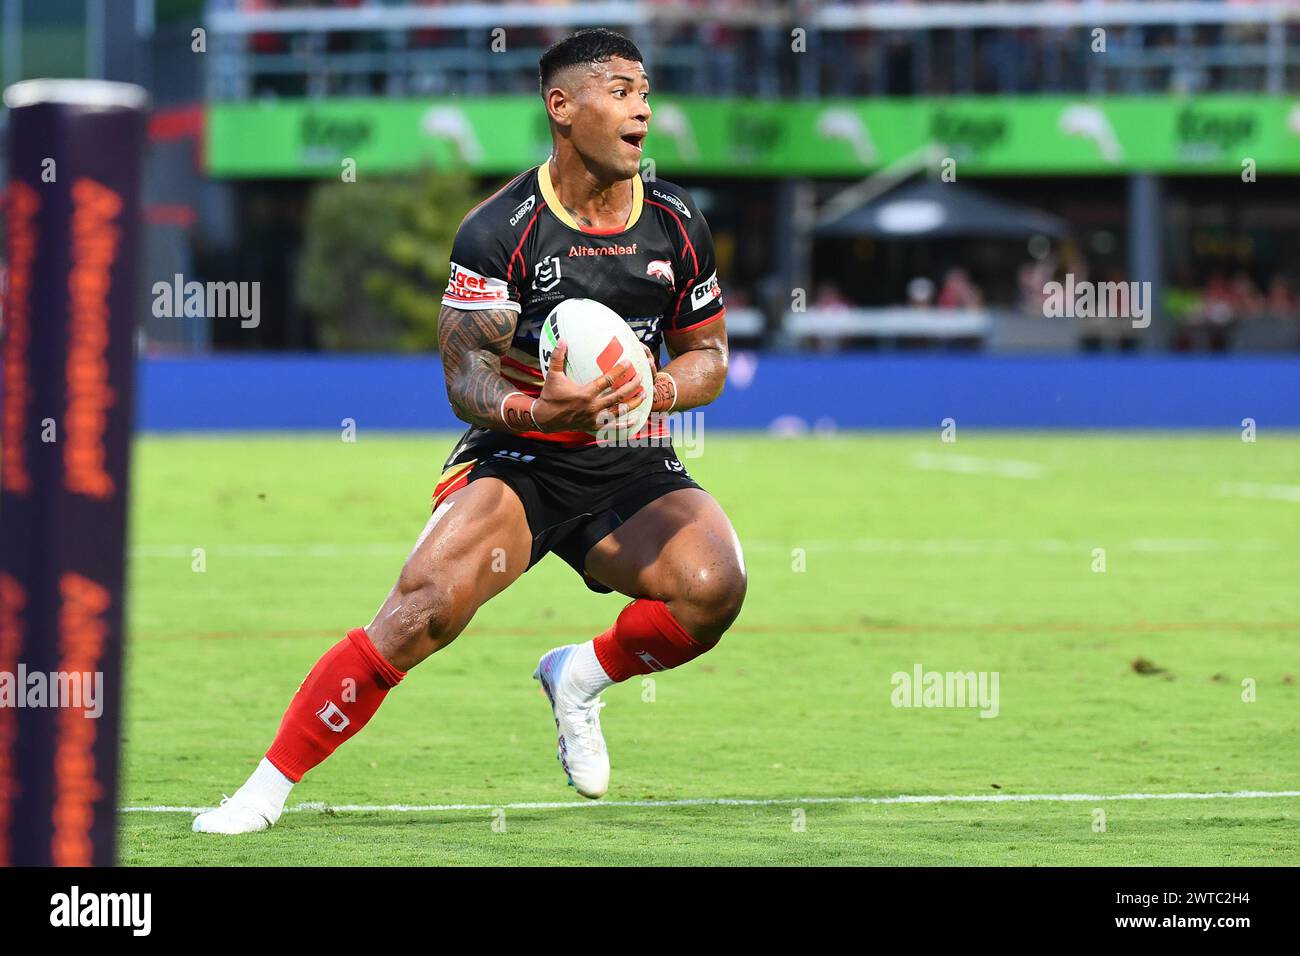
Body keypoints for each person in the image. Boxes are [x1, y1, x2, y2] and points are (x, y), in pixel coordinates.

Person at [193, 28, 747, 834]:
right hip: (521, 457)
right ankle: (264, 791)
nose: (644, 110)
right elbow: (465, 379)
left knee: (714, 588)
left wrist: (657, 387)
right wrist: (538, 411)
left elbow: (712, 356)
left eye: (646, 93)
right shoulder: (501, 229)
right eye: (622, 91)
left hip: (628, 458)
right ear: (563, 106)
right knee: (422, 613)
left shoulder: (674, 221)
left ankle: (580, 676)